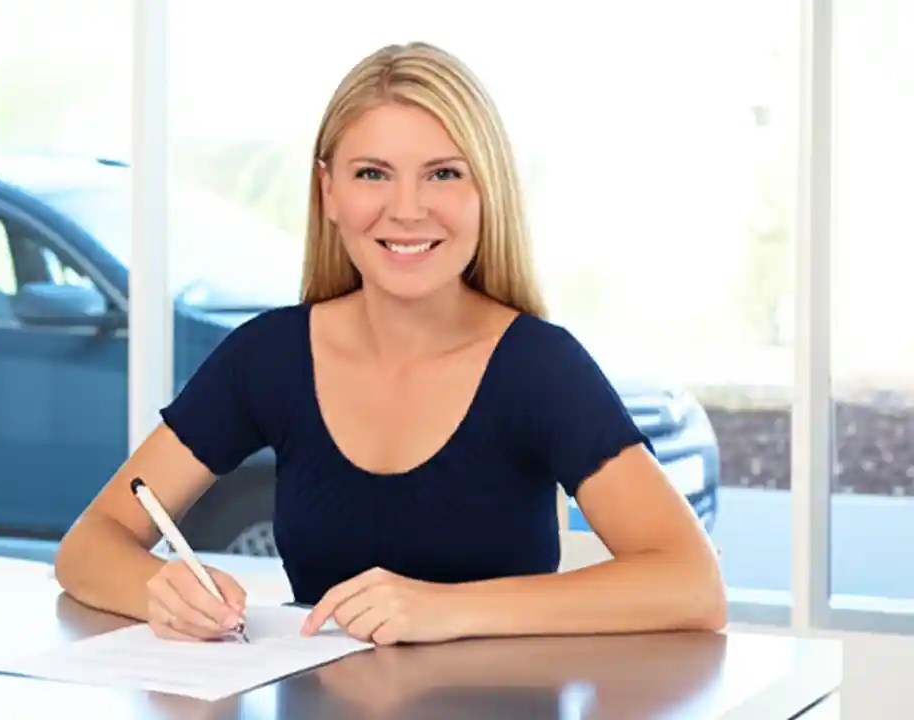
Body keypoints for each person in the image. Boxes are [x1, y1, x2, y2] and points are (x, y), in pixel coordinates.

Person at [54, 41, 726, 645]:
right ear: (329, 193)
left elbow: (691, 585)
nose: (407, 209)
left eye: (443, 174)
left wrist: (449, 610)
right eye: (373, 173)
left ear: (485, 192)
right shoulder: (267, 357)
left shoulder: (538, 367)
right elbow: (89, 547)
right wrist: (160, 590)